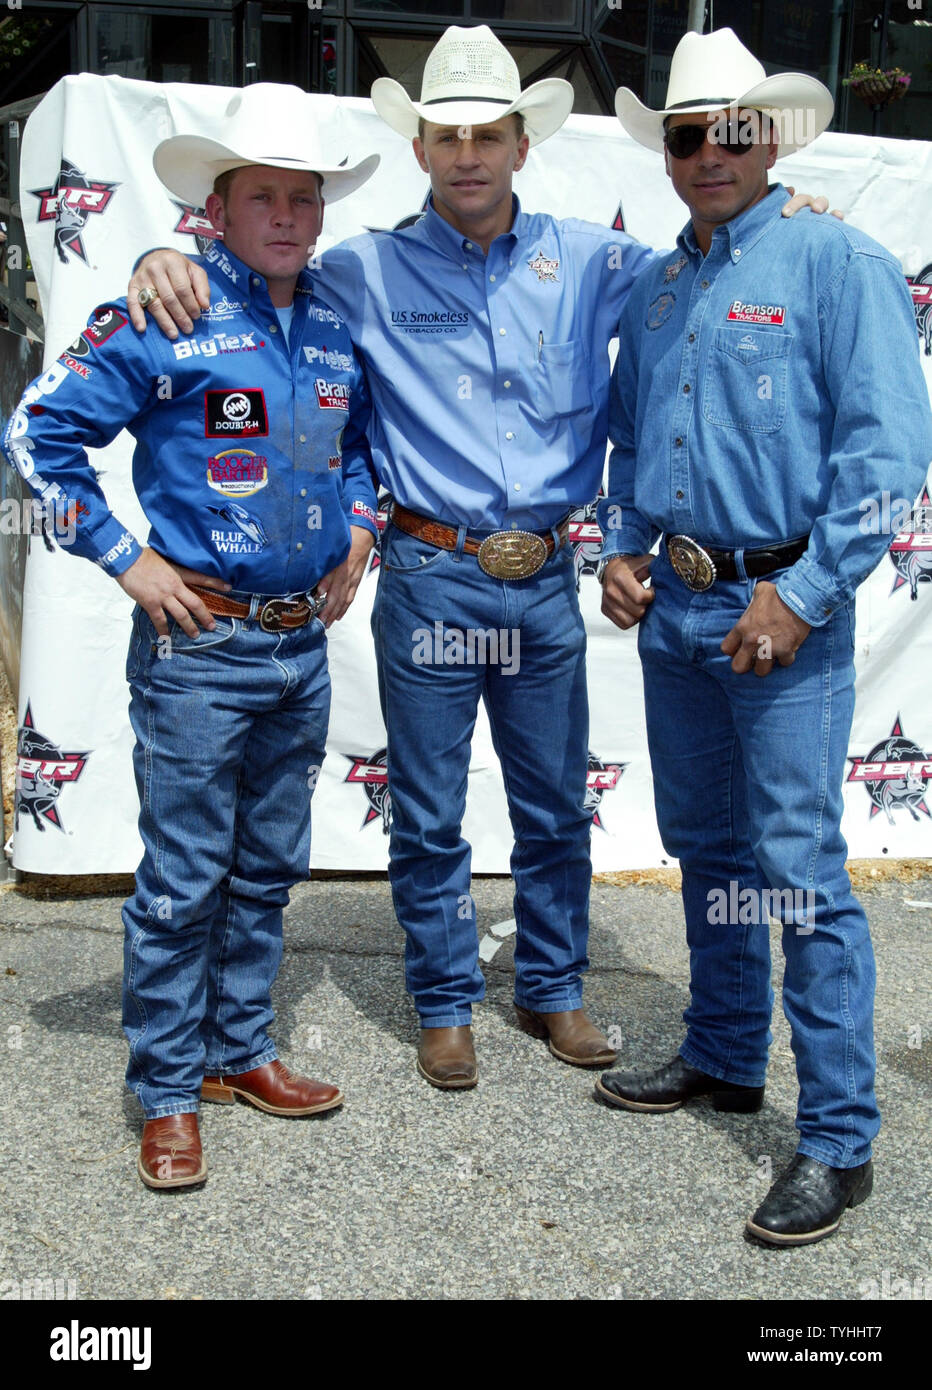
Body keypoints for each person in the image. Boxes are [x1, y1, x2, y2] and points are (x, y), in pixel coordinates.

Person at [127, 26, 827, 1092]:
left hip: (541, 580)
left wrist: (793, 223)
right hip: (429, 576)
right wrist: (160, 255)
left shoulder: (596, 262)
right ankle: (445, 1000)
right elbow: (251, 290)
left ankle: (552, 986)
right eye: (446, 136)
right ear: (417, 149)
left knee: (553, 804)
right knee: (428, 809)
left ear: (520, 145)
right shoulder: (357, 270)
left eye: (487, 135)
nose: (466, 155)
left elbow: (709, 274)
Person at [2, 85, 380, 1188]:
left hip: (299, 646)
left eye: (304, 197)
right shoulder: (166, 308)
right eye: (262, 196)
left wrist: (361, 526)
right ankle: (167, 1090)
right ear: (214, 209)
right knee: (182, 879)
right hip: (200, 649)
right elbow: (36, 434)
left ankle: (237, 1051)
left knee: (265, 869)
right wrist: (126, 557)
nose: (287, 216)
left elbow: (360, 447)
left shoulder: (334, 320)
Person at [594, 28, 932, 1246]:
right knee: (708, 849)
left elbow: (887, 459)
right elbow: (630, 438)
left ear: (771, 138)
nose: (708, 153)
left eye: (731, 132)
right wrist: (619, 545)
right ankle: (726, 1053)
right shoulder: (659, 284)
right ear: (668, 151)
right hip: (678, 610)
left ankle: (837, 1139)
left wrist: (799, 597)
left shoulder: (837, 261)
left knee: (796, 869)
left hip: (781, 612)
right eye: (686, 134)